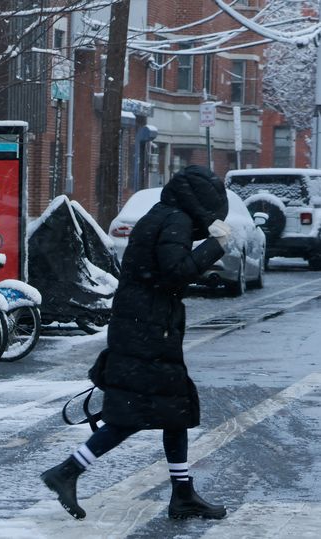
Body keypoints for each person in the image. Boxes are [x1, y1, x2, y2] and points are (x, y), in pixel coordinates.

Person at [40, 164, 231, 521]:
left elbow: (157, 274)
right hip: (148, 332)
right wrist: (214, 247)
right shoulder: (174, 221)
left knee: (174, 410)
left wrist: (202, 280)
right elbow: (174, 272)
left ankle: (183, 494)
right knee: (131, 413)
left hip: (142, 326)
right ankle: (66, 472)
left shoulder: (162, 215)